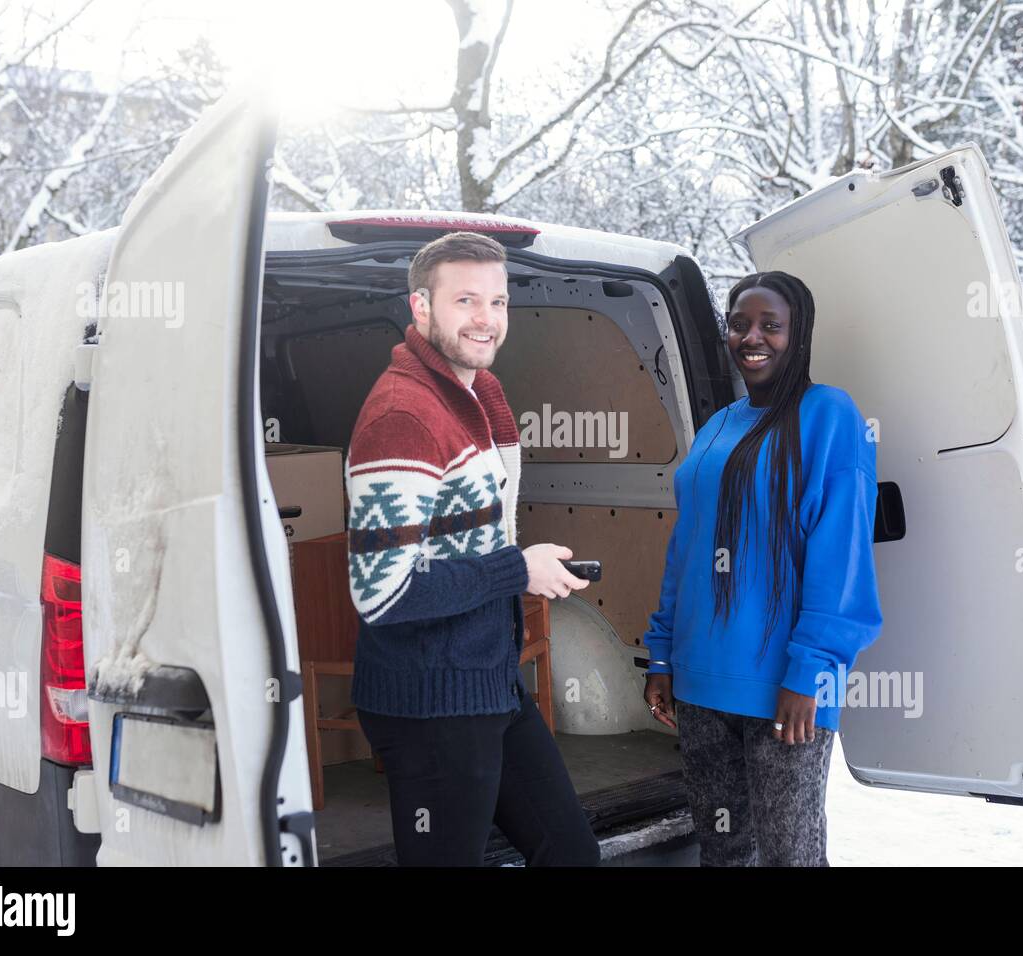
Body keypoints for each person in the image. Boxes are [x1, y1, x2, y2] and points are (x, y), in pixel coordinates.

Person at [345, 230, 599, 866]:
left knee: (571, 854)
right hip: (431, 702)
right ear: (421, 308)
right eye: (465, 301)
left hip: (487, 682)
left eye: (499, 302)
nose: (486, 319)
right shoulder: (403, 415)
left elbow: (474, 533)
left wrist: (521, 567)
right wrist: (518, 569)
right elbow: (383, 593)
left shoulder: (476, 395)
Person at [641, 270, 882, 866]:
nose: (754, 337)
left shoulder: (828, 414)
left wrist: (813, 672)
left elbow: (841, 554)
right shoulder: (719, 425)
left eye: (771, 325)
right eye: (740, 323)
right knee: (722, 852)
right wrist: (663, 654)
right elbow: (687, 549)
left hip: (786, 688)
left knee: (789, 856)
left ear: (797, 335)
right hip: (699, 682)